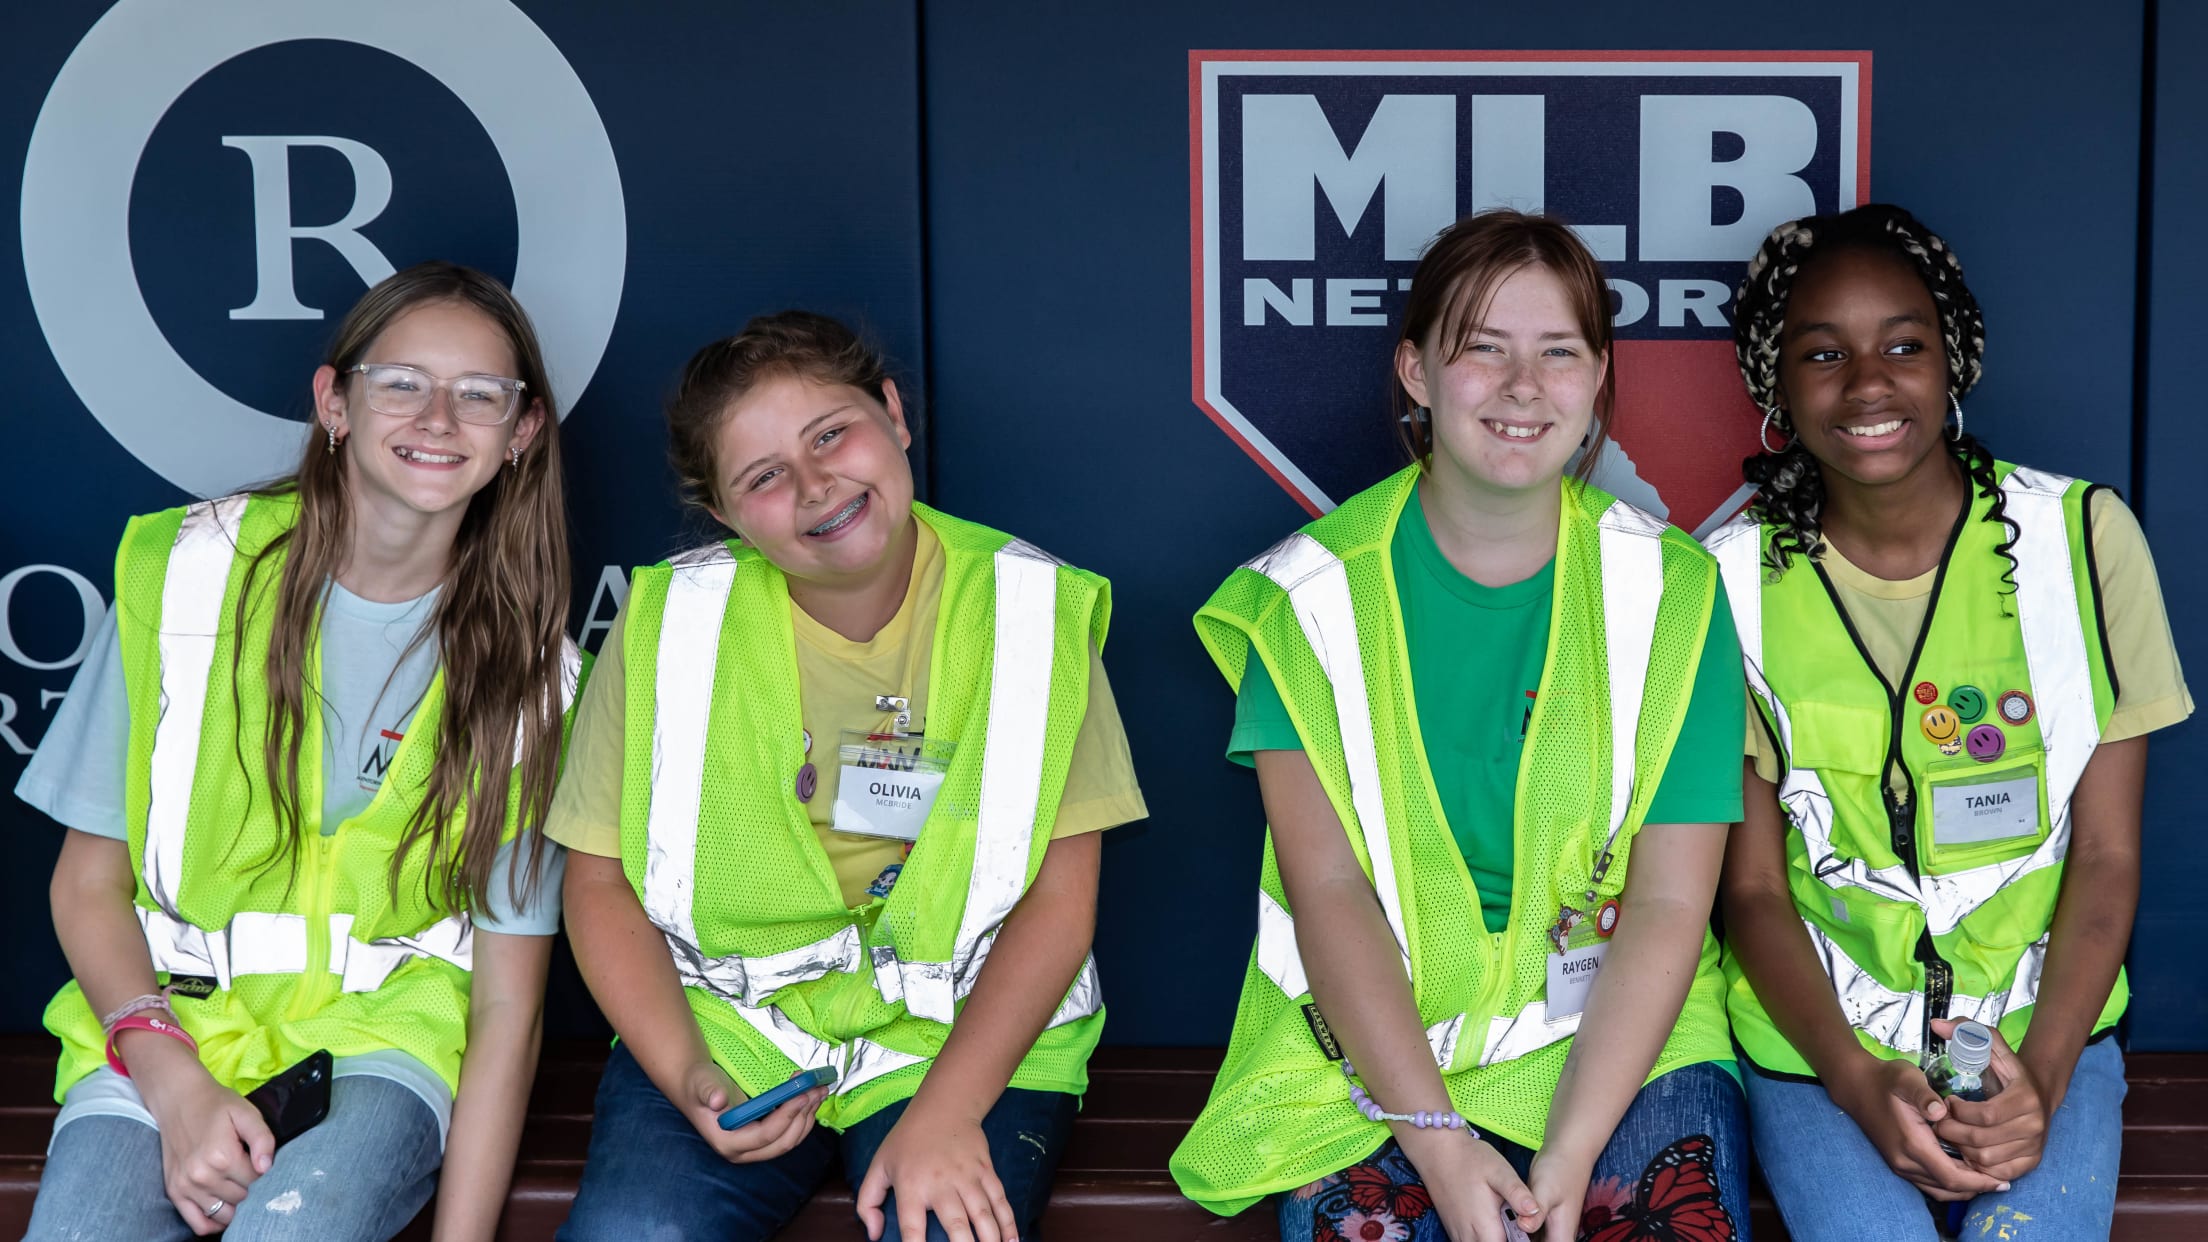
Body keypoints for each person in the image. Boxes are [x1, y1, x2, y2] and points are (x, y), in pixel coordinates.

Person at [1171, 210, 1750, 1242]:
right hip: (1371, 1047)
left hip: (1620, 1041)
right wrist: (1436, 1137)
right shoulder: (1305, 602)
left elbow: (1669, 901)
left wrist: (1569, 1156)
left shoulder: (1676, 594)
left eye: (1558, 353)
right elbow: (1330, 890)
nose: (1523, 387)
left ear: (1598, 379)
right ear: (1416, 372)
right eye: (1482, 349)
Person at [551, 311, 1147, 1242]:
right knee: (634, 1230)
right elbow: (597, 884)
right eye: (763, 475)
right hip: (731, 1030)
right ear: (724, 514)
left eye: (832, 433)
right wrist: (687, 1075)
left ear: (895, 414)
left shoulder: (1032, 610)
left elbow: (1061, 905)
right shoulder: (669, 621)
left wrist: (948, 1115)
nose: (816, 482)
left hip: (960, 1041)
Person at [20, 261, 581, 1241]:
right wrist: (172, 1077)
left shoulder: (538, 676)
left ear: (522, 433)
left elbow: (505, 1008)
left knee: (297, 1226)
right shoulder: (190, 575)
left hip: (381, 1047)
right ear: (336, 402)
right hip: (166, 1024)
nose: (439, 418)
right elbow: (85, 886)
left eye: (480, 394)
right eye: (401, 382)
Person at [1708, 203, 2188, 1241]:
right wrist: (1850, 1076)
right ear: (1775, 386)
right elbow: (1747, 889)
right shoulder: (1723, 583)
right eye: (1823, 352)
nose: (1868, 382)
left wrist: (2044, 1081)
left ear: (1954, 360)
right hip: (1821, 1051)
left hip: (2040, 1034)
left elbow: (2105, 855)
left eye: (1904, 346)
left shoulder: (2083, 541)